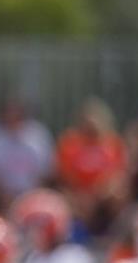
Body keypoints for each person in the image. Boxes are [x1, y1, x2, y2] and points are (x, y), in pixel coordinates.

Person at [55, 101, 128, 238]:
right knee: (64, 199)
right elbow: (65, 177)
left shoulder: (113, 144)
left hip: (102, 196)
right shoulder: (69, 144)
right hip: (77, 194)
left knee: (118, 196)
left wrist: (98, 194)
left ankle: (112, 236)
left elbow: (117, 176)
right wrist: (81, 196)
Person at [0, 96, 55, 205]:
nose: (12, 117)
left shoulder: (38, 135)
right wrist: (3, 195)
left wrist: (31, 196)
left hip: (33, 194)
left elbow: (45, 172)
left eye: (16, 114)